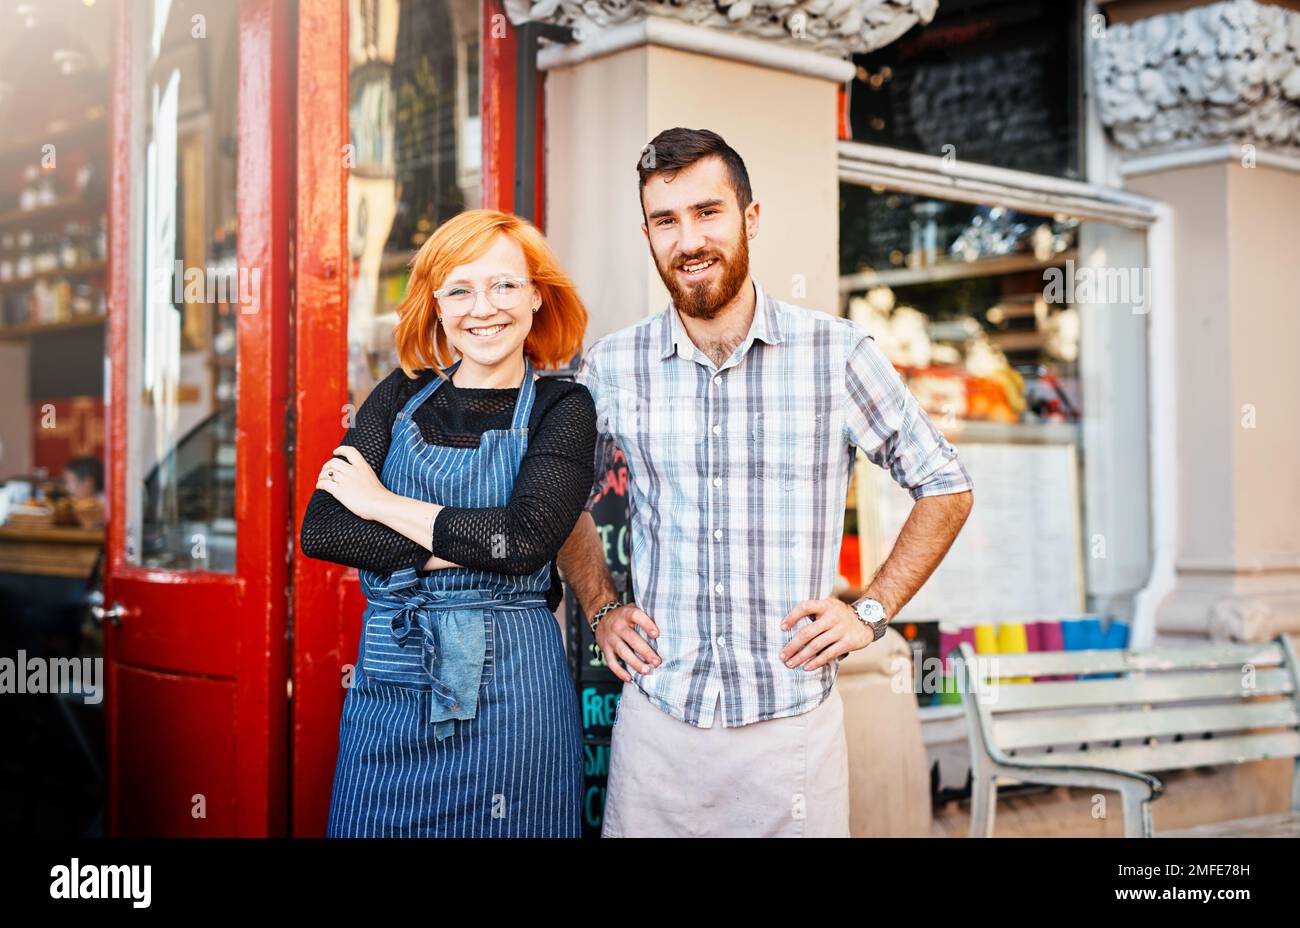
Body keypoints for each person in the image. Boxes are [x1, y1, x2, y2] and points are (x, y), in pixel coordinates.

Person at [557, 128, 975, 837]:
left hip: (792, 737)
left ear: (751, 218)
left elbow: (945, 485)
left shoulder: (836, 355)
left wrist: (870, 611)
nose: (688, 239)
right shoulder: (612, 365)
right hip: (657, 728)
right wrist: (600, 606)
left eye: (707, 212)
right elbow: (560, 501)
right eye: (666, 220)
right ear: (648, 233)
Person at [300, 208, 595, 837]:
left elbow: (524, 541)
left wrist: (380, 505)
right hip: (391, 680)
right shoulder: (400, 393)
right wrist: (474, 541)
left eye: (504, 285)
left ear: (538, 296)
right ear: (436, 305)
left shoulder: (562, 405)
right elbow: (322, 529)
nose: (481, 307)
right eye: (459, 289)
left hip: (513, 695)